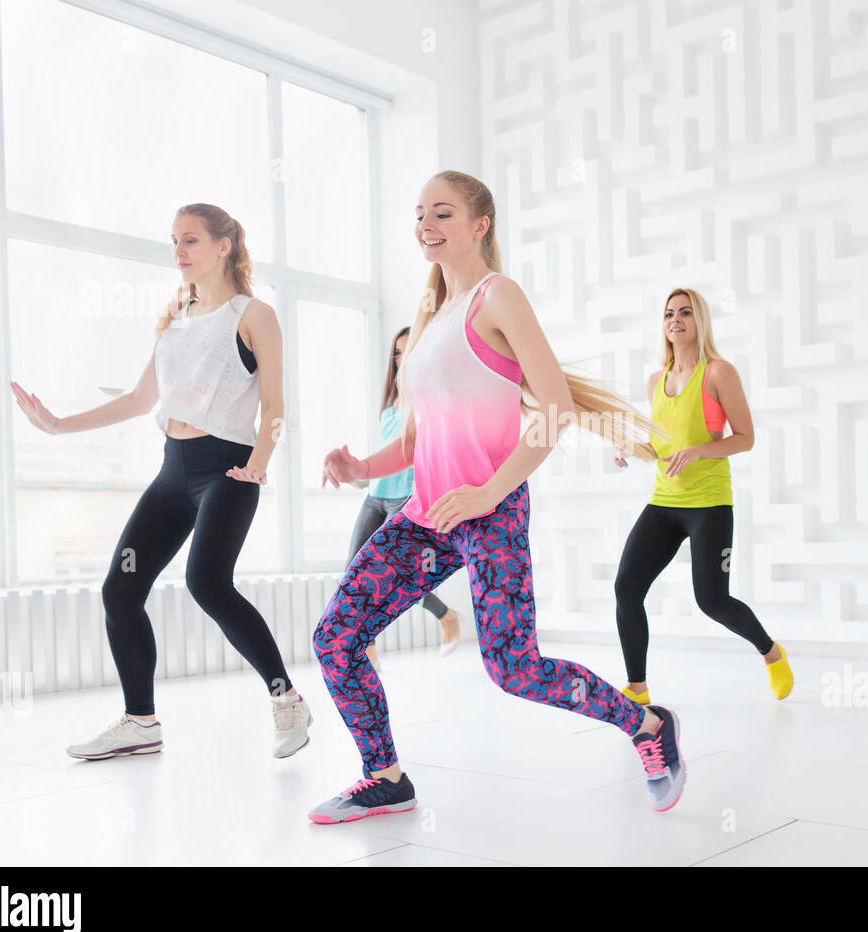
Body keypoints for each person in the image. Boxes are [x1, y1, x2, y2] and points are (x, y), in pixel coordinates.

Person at [309, 170, 686, 821]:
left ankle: (647, 727)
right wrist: (361, 464)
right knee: (335, 637)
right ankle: (385, 777)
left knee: (513, 667)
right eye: (420, 212)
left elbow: (556, 410)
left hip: (492, 508)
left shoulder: (496, 296)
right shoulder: (428, 322)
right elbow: (416, 438)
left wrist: (489, 491)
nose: (427, 224)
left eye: (444, 213)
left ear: (480, 224)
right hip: (428, 513)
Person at [11, 202, 312, 761]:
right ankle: (140, 721)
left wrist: (260, 461)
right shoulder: (177, 314)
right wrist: (55, 425)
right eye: (174, 241)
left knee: (207, 583)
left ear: (224, 245)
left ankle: (286, 697)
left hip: (228, 468)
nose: (179, 251)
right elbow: (138, 399)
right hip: (174, 471)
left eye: (191, 240)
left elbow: (274, 403)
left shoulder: (254, 315)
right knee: (120, 589)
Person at [613, 288, 791, 703]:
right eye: (669, 313)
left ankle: (771, 652)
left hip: (709, 504)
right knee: (627, 587)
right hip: (664, 503)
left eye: (686, 313)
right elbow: (662, 447)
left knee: (712, 600)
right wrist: (628, 448)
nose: (676, 320)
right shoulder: (655, 380)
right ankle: (637, 688)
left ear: (700, 321)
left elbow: (745, 438)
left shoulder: (718, 373)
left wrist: (699, 451)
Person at [341, 325, 462, 668]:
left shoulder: (428, 400)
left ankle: (446, 616)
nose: (400, 358)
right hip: (376, 496)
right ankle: (368, 647)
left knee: (396, 577)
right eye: (396, 352)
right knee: (353, 572)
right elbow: (387, 449)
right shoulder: (390, 401)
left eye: (407, 351)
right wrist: (362, 477)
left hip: (404, 500)